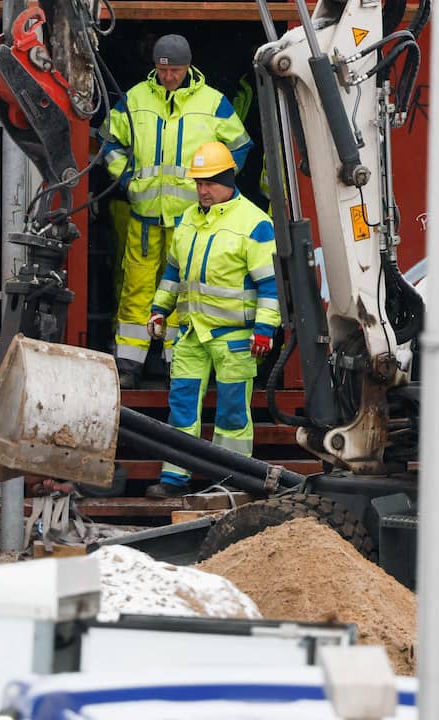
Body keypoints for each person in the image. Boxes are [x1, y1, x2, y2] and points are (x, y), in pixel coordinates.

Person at [102, 34, 253, 389]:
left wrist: (215, 189)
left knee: (185, 293)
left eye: (176, 71)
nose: (169, 77)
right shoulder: (135, 98)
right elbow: (108, 141)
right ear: (155, 67)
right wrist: (127, 180)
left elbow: (240, 146)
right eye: (163, 70)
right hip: (144, 216)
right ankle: (129, 364)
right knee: (136, 289)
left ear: (188, 67)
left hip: (191, 220)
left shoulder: (212, 102)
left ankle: (177, 362)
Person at [144, 141, 278, 498]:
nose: (202, 190)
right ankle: (174, 478)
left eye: (210, 183)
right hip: (192, 334)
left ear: (228, 180)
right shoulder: (188, 219)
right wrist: (159, 309)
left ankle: (231, 481)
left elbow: (270, 285)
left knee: (232, 414)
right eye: (199, 183)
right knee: (182, 408)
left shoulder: (255, 223)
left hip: (235, 339)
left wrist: (264, 330)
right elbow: (173, 272)